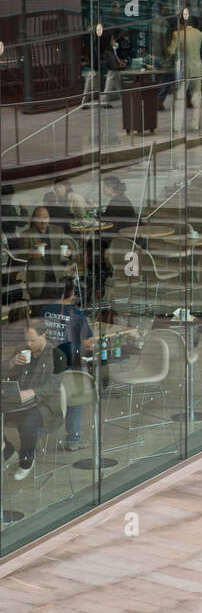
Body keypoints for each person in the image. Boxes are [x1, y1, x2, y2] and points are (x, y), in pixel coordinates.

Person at [2, 318, 66, 480]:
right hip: (19, 402)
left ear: (43, 335)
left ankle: (27, 460)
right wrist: (10, 363)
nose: (29, 344)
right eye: (27, 339)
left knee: (27, 424)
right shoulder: (21, 350)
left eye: (33, 340)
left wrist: (31, 392)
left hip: (45, 405)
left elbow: (53, 385)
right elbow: (4, 374)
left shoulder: (57, 355)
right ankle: (8, 451)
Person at [35, 279, 92, 451]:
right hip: (70, 363)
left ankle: (34, 436)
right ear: (72, 293)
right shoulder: (77, 314)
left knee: (42, 401)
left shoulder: (45, 310)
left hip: (46, 362)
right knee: (74, 400)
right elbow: (88, 343)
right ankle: (73, 439)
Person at [18, 205, 75, 301]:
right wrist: (30, 254)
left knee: (55, 310)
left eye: (45, 217)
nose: (43, 221)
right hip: (37, 279)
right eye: (39, 218)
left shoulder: (57, 230)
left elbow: (65, 253)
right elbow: (20, 257)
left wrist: (69, 254)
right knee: (38, 310)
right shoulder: (26, 234)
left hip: (56, 278)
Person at [167, 16, 202, 133]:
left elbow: (171, 50)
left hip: (185, 71)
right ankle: (195, 124)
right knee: (197, 97)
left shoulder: (178, 34)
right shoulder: (199, 33)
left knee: (180, 97)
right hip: (197, 69)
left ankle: (177, 125)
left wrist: (168, 49)